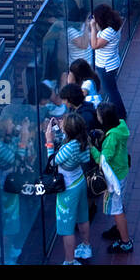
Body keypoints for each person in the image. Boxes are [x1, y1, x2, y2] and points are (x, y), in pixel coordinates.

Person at [44, 111, 93, 264]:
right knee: (83, 216)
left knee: (66, 228)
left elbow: (52, 162)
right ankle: (86, 247)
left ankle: (69, 261)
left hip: (68, 190)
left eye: (63, 123)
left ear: (69, 130)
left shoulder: (69, 147)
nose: (60, 123)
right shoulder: (83, 140)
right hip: (79, 181)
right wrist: (62, 129)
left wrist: (49, 142)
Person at [89, 102, 133, 254]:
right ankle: (118, 229)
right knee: (118, 205)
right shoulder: (121, 126)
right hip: (122, 171)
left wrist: (92, 148)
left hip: (114, 178)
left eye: (99, 116)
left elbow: (103, 160)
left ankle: (125, 242)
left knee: (116, 209)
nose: (97, 117)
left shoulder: (111, 138)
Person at [88, 4, 128, 121]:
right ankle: (120, 112)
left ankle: (120, 114)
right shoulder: (113, 27)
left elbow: (94, 45)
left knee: (111, 91)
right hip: (110, 63)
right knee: (112, 89)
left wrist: (93, 27)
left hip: (106, 66)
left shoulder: (109, 31)